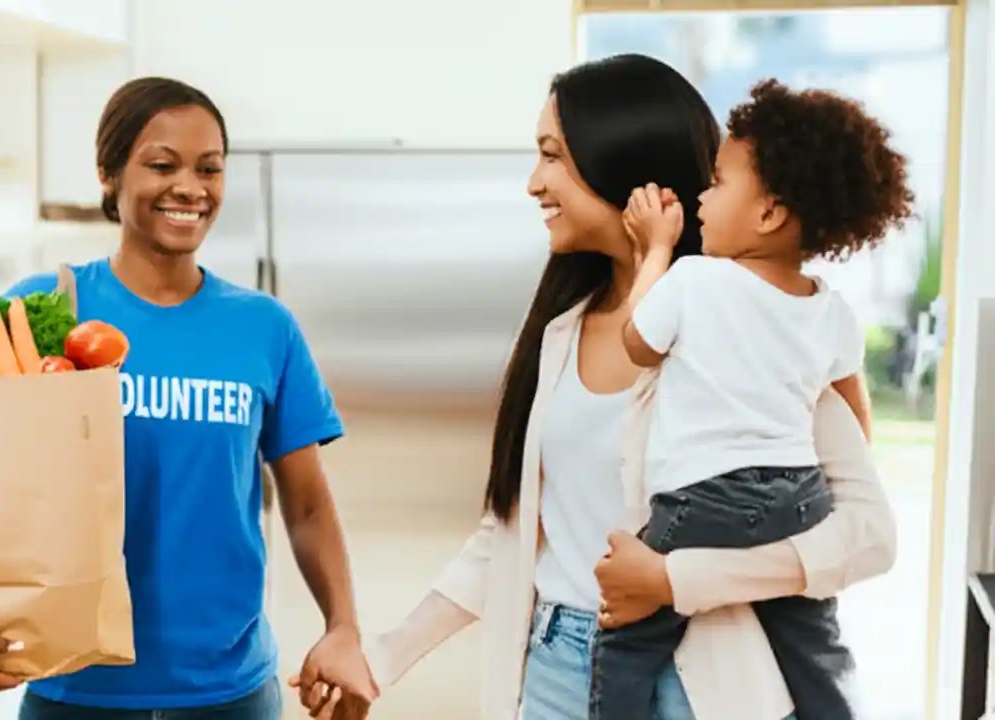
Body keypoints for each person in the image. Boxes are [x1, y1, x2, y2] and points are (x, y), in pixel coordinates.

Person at [295, 54, 897, 720]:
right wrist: (382, 661)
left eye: (552, 155)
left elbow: (863, 537)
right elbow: (513, 535)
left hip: (708, 681)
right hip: (556, 668)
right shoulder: (561, 336)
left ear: (620, 158)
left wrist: (673, 581)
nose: (533, 182)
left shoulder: (752, 333)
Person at [0, 77, 378, 720]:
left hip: (231, 695)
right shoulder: (40, 312)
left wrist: (343, 626)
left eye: (210, 168)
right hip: (72, 689)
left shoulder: (263, 328)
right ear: (109, 175)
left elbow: (306, 505)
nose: (190, 186)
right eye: (161, 164)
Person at [590, 79, 913, 720]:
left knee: (628, 639)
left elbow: (636, 343)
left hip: (702, 501)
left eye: (718, 181)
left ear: (768, 213)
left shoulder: (695, 279)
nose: (703, 197)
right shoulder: (831, 310)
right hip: (799, 499)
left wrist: (653, 250)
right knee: (814, 646)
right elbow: (853, 416)